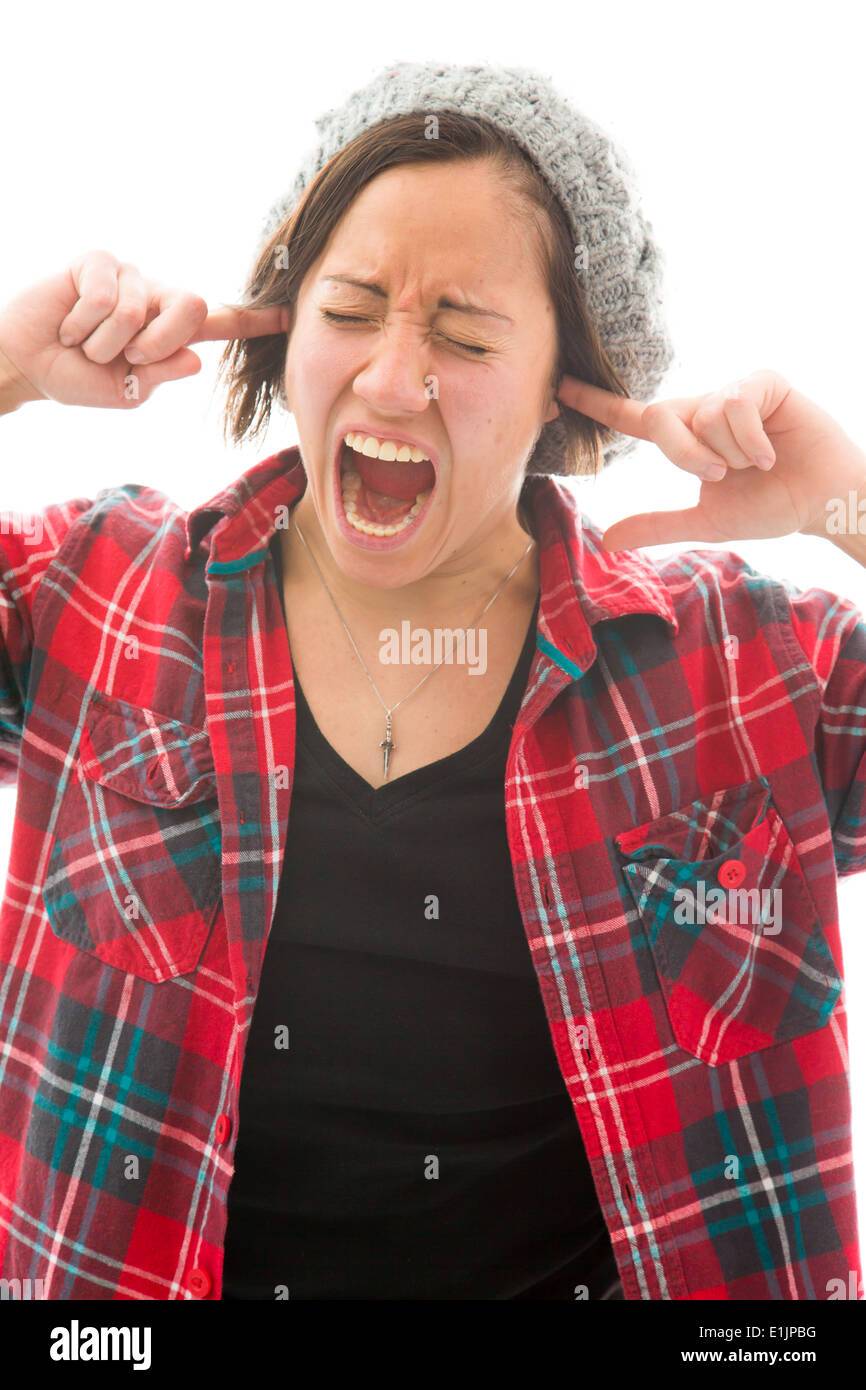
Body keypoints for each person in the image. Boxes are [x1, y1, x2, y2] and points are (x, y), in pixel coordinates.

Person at [0, 59, 863, 1302]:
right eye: (349, 309)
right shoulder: (97, 594)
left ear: (573, 390)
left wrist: (844, 499)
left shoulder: (744, 665)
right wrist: (15, 369)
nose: (395, 380)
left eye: (461, 336)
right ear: (283, 326)